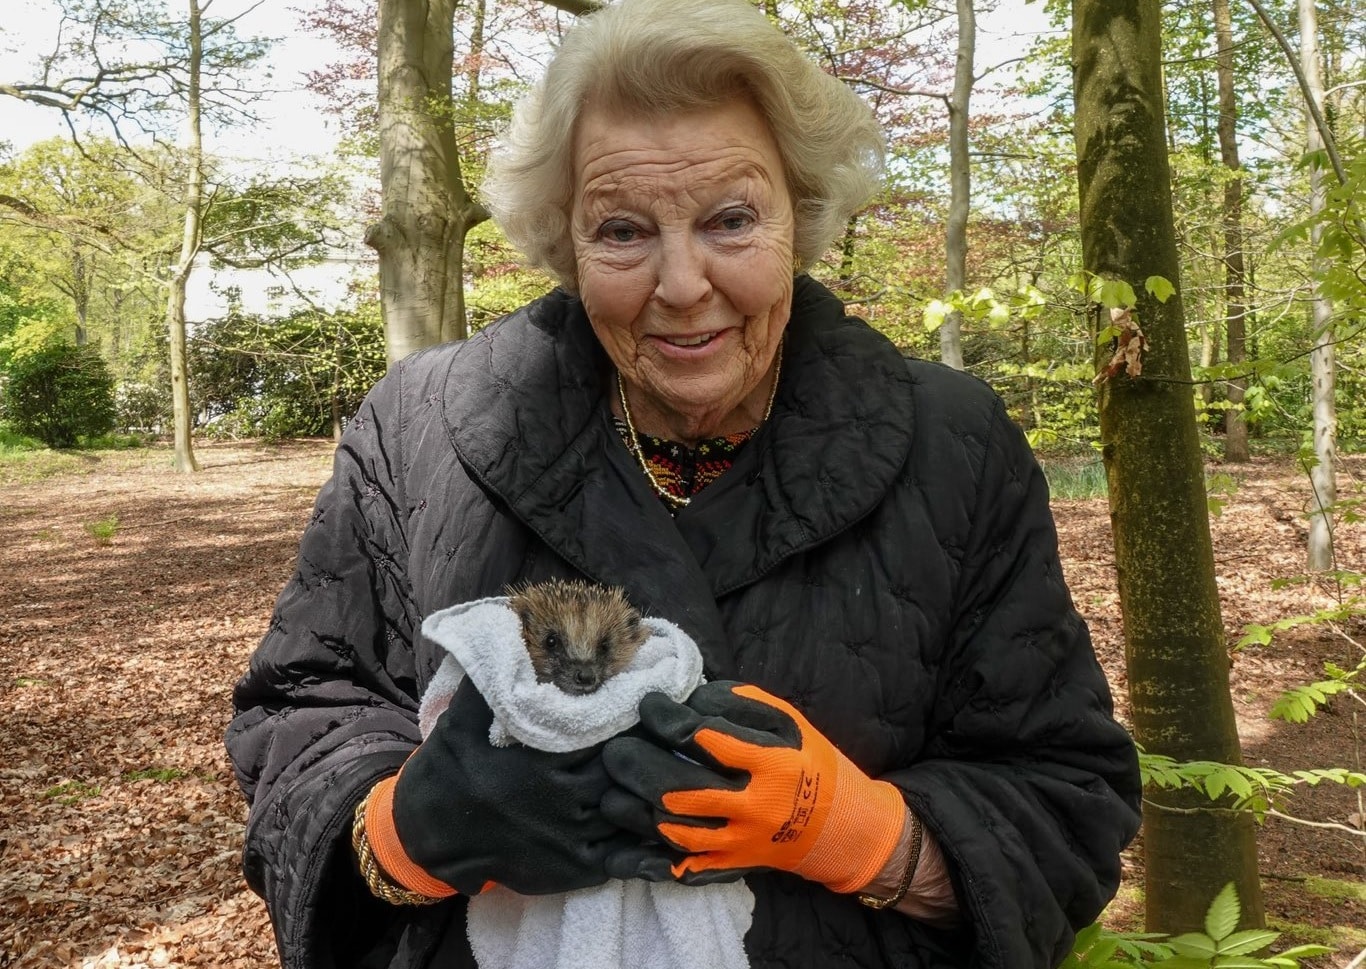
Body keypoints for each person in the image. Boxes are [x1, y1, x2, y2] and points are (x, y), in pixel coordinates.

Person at [225, 0, 1142, 966]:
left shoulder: (954, 445)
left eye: (731, 219)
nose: (681, 283)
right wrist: (403, 833)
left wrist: (863, 831)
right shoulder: (419, 429)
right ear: (565, 242)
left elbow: (1066, 789)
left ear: (803, 214)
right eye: (621, 230)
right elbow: (300, 711)